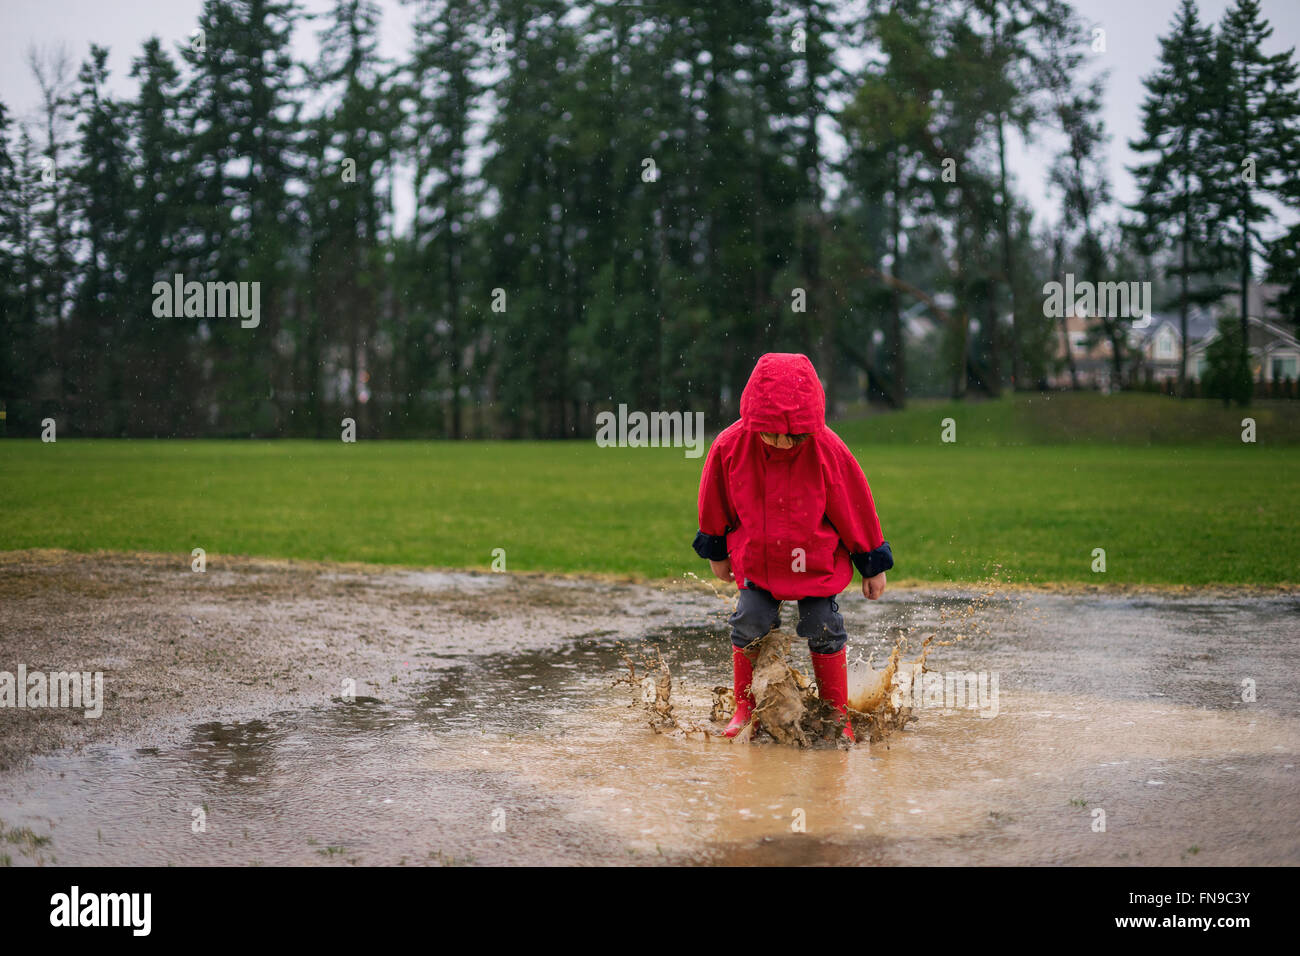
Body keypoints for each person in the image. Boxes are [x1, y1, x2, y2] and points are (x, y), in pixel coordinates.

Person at [692, 353, 893, 741]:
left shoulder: (828, 450)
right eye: (770, 433)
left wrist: (872, 562)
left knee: (824, 627)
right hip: (757, 561)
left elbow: (855, 507)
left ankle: (837, 716)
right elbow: (713, 500)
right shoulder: (730, 447)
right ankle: (744, 711)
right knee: (748, 622)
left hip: (815, 563)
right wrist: (716, 550)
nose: (782, 442)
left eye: (793, 435)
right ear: (754, 418)